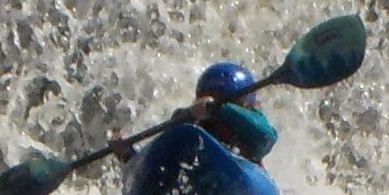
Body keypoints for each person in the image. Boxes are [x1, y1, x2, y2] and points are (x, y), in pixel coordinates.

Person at [109, 61, 278, 166]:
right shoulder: (188, 125)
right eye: (209, 97)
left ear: (246, 104)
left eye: (222, 99)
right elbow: (155, 167)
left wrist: (219, 109)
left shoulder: (254, 122)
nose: (210, 102)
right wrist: (127, 155)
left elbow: (266, 138)